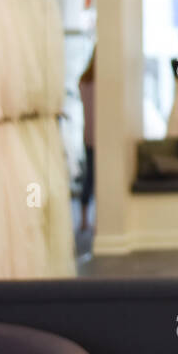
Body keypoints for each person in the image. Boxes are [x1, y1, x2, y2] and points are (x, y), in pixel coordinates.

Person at [78, 45, 96, 234]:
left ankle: (85, 219)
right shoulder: (97, 84)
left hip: (88, 135)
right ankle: (86, 219)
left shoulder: (84, 82)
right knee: (92, 179)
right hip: (94, 137)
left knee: (89, 178)